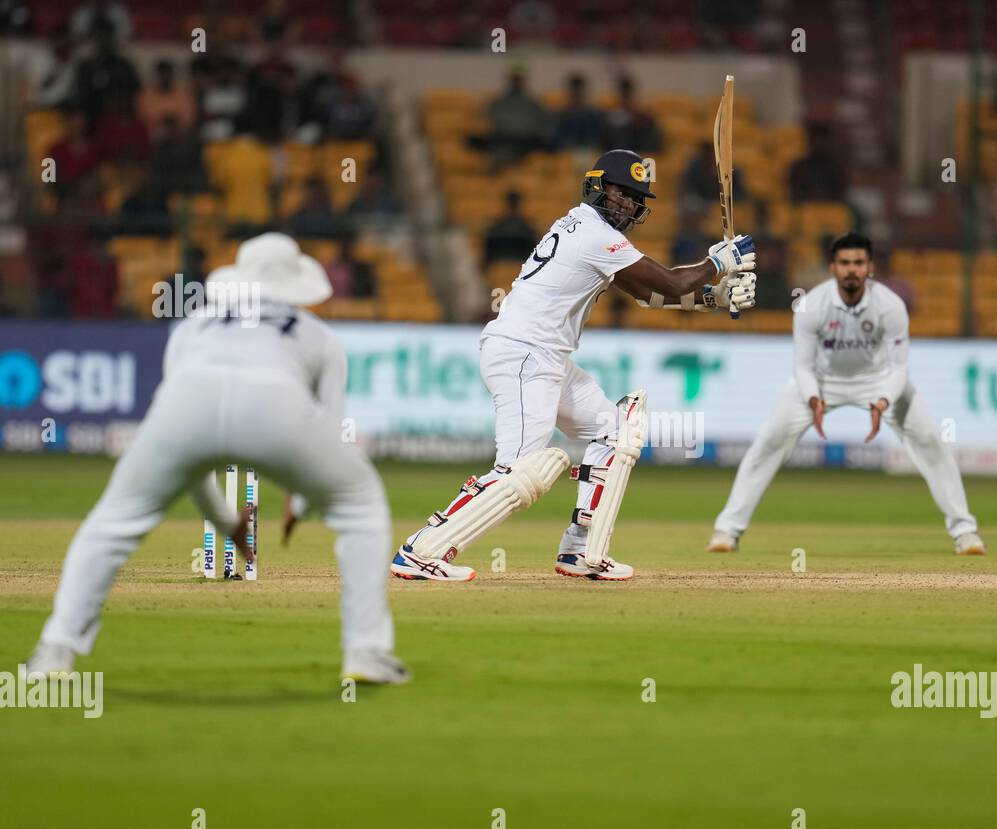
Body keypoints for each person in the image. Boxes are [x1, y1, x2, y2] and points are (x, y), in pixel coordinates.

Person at [23, 233, 406, 685]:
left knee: (112, 522)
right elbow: (333, 434)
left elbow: (191, 465)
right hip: (275, 405)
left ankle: (55, 650)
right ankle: (365, 651)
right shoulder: (317, 336)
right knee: (360, 503)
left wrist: (228, 525)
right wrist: (301, 505)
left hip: (189, 400)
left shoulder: (193, 325)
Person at [390, 148, 758, 583]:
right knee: (520, 472)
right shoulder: (595, 234)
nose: (624, 203)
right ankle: (422, 550)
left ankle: (580, 549)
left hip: (543, 356)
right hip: (525, 353)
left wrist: (715, 296)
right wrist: (717, 263)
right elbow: (671, 282)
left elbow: (647, 294)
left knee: (614, 430)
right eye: (620, 193)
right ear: (598, 187)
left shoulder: (587, 228)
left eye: (633, 199)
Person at [707, 232, 986, 556]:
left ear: (870, 268)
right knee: (768, 441)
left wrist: (883, 402)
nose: (851, 269)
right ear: (833, 267)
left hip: (879, 379)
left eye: (858, 263)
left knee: (930, 441)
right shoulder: (812, 304)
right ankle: (727, 531)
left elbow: (898, 369)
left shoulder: (891, 306)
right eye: (844, 263)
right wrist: (814, 399)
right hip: (821, 381)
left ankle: (965, 532)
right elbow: (803, 367)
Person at [483, 190, 536, 264]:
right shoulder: (496, 228)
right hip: (499, 269)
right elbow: (487, 256)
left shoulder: (527, 229)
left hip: (520, 268)